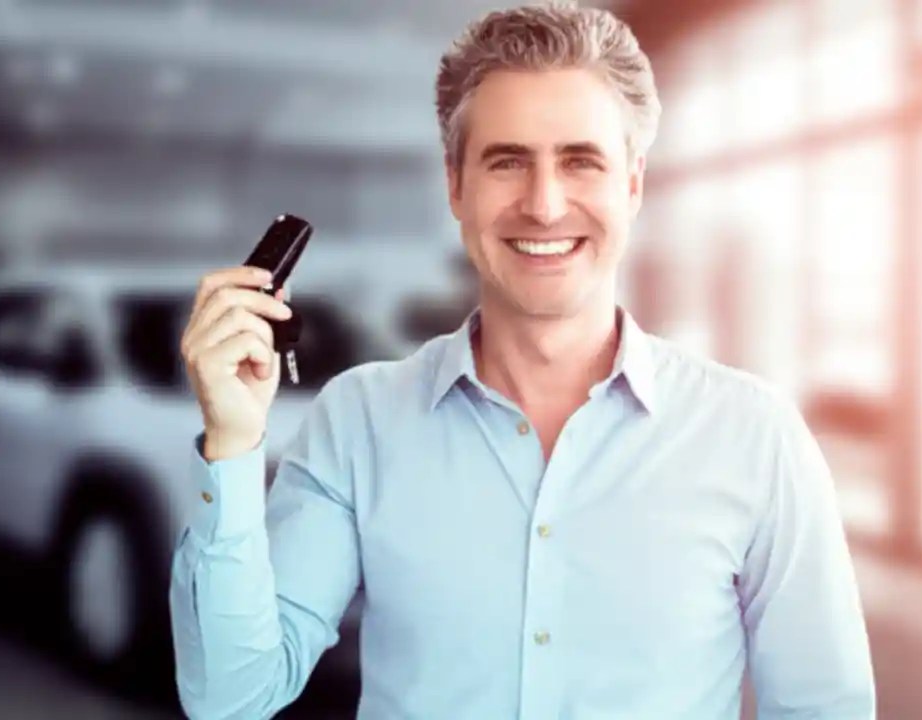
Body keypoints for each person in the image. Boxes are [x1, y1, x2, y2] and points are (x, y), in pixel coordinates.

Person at [171, 3, 876, 718]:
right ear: (455, 186)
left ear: (631, 185)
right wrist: (230, 444)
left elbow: (825, 708)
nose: (543, 205)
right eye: (507, 162)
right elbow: (232, 696)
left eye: (580, 161)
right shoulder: (360, 422)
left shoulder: (754, 436)